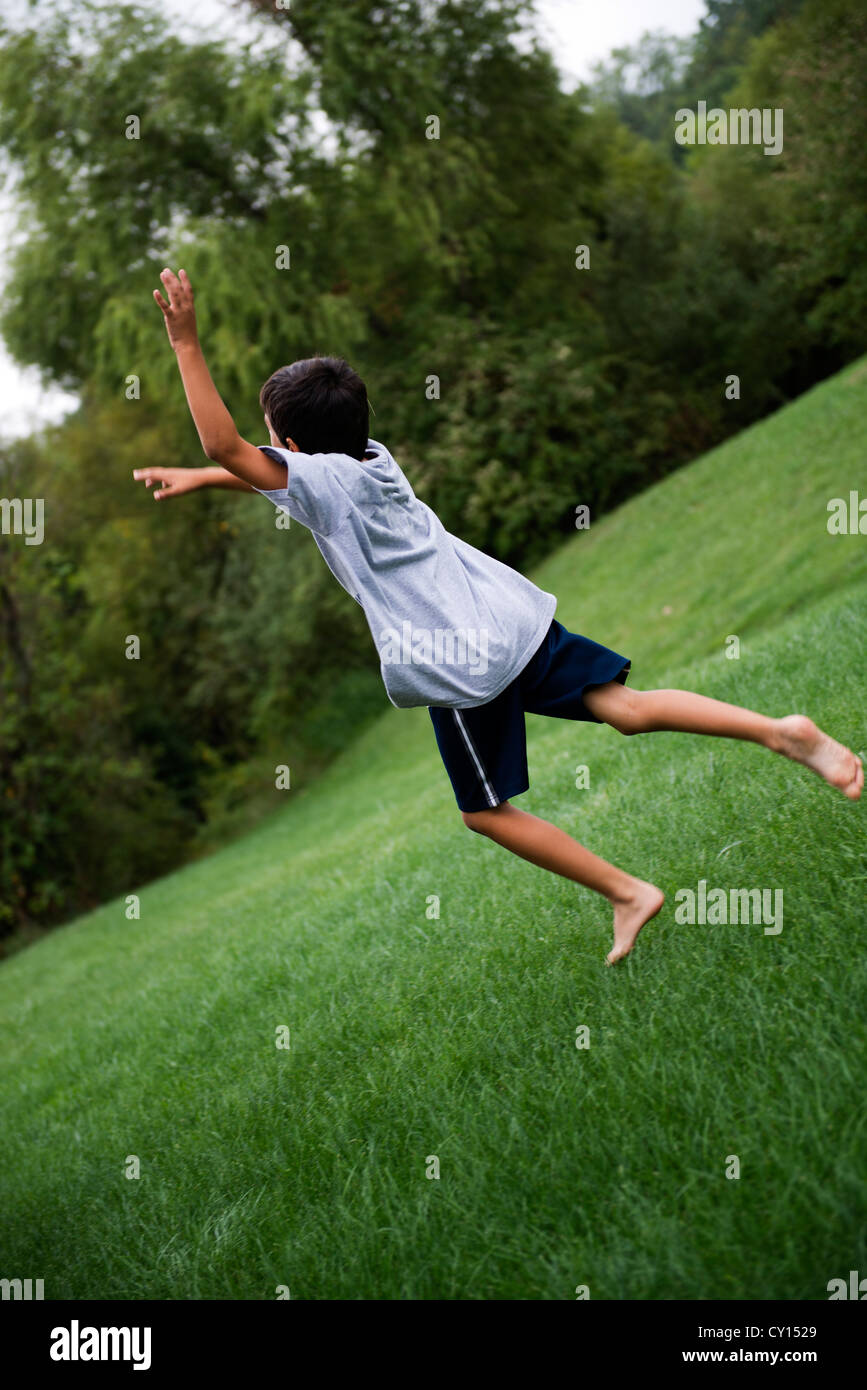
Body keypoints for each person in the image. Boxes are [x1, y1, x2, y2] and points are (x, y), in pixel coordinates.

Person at [135, 269, 863, 963]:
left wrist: (186, 346)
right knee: (629, 708)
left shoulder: (321, 480)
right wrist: (205, 478)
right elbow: (257, 466)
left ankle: (627, 890)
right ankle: (781, 731)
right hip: (510, 620)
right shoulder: (369, 459)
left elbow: (230, 446)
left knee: (484, 811)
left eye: (274, 438)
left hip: (458, 659)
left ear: (292, 447)